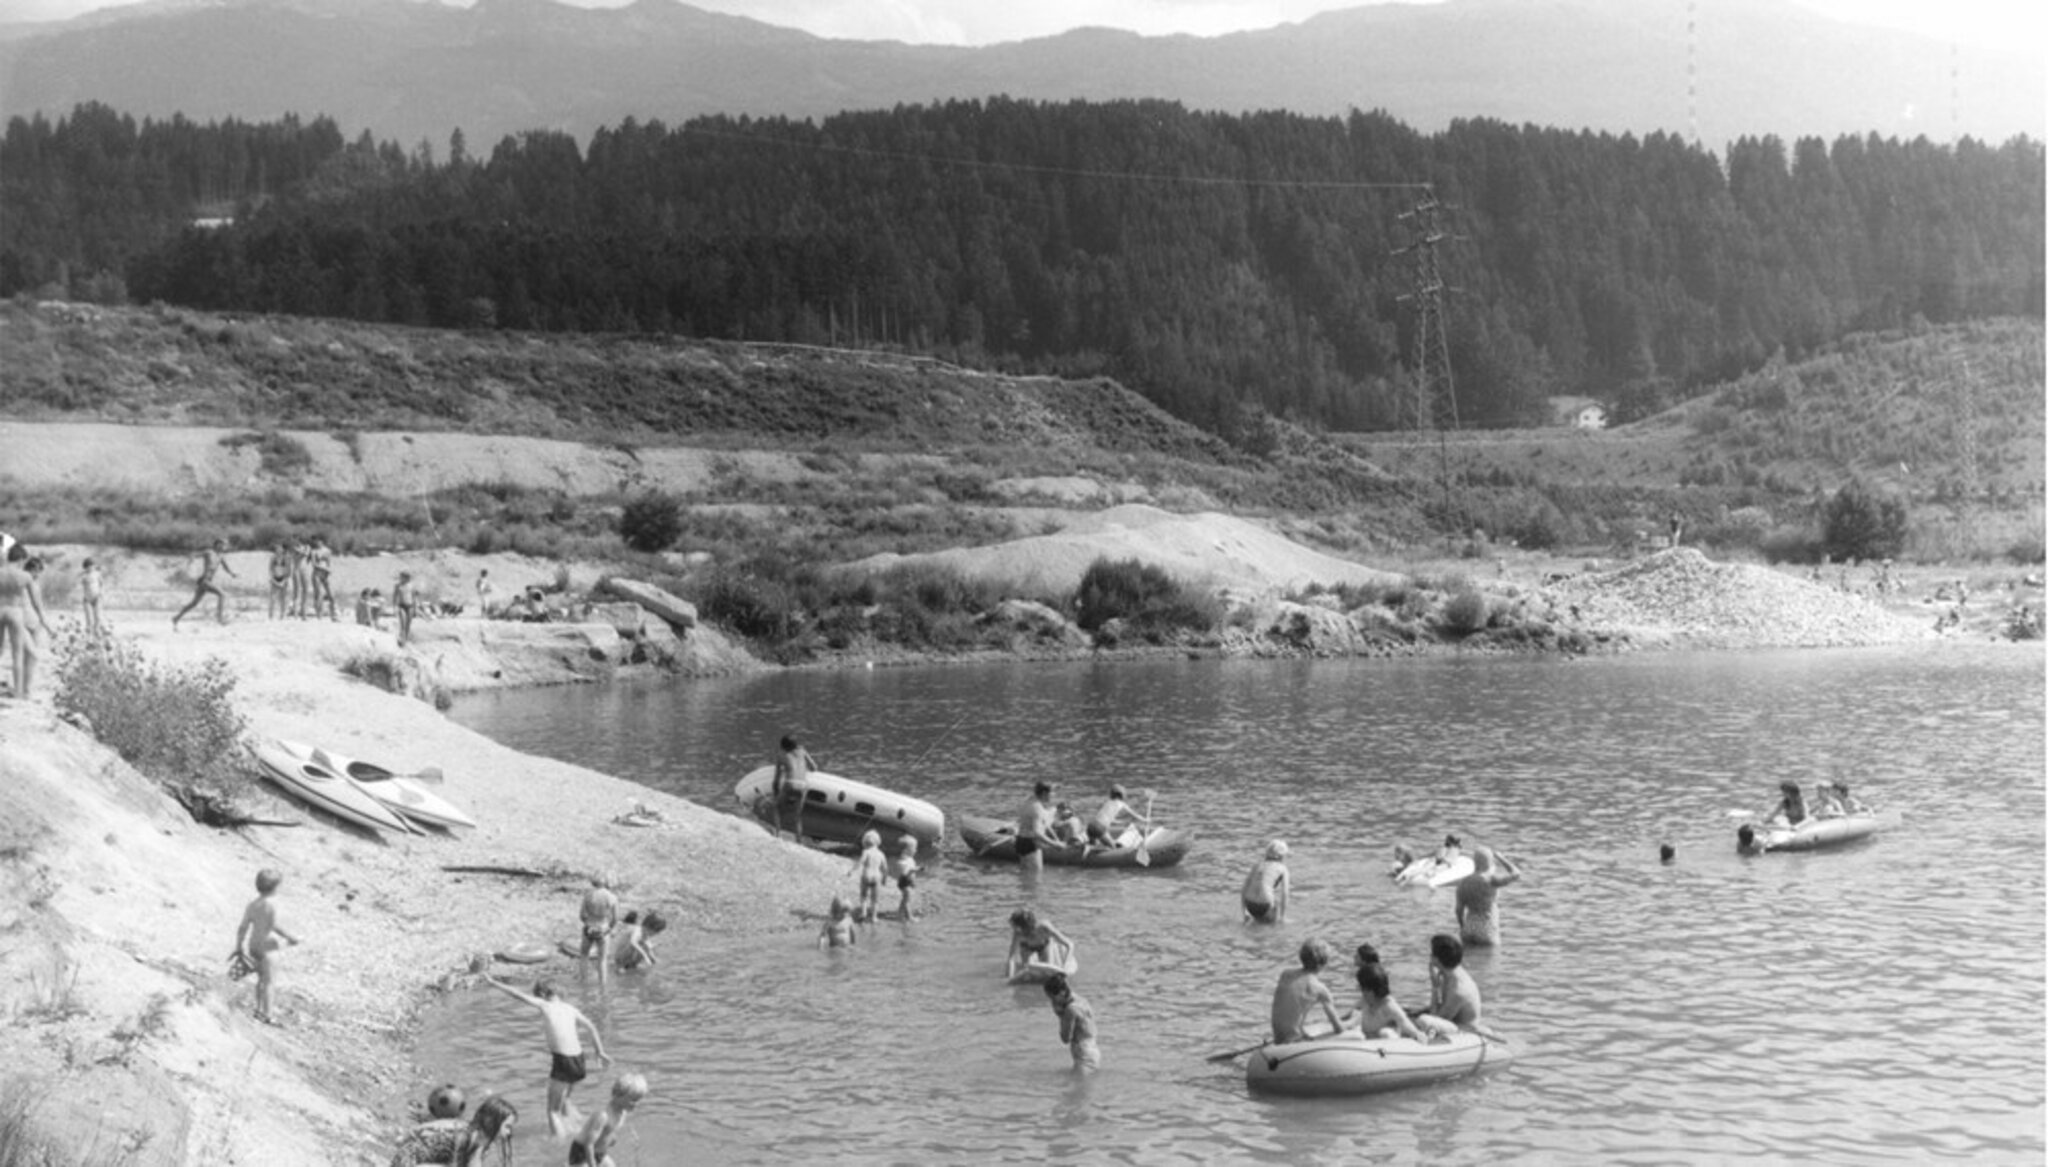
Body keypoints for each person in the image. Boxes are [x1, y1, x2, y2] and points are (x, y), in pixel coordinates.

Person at [480, 974, 611, 1137]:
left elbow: (516, 994)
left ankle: (560, 1143)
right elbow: (591, 1027)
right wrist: (600, 1051)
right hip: (579, 1059)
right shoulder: (571, 1009)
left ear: (542, 994)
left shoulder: (544, 1004)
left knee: (553, 1110)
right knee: (565, 1101)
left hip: (563, 1060)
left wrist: (493, 982)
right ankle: (579, 1126)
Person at [234, 868, 299, 1026]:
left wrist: (239, 945)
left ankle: (258, 1009)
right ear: (275, 887)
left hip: (253, 945)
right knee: (270, 982)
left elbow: (243, 926)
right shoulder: (271, 905)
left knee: (261, 980)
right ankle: (268, 1015)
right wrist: (291, 937)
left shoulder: (252, 904)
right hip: (268, 946)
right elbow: (274, 925)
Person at [387, 1094, 517, 1167]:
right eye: (507, 1127)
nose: (509, 1133)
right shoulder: (464, 1134)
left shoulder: (482, 1145)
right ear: (492, 1122)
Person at [1417, 933, 1498, 1040]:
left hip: (1464, 1032)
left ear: (1436, 959)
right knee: (1410, 1013)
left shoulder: (1458, 990)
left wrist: (1435, 986)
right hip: (1452, 1021)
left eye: (1432, 953)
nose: (1429, 956)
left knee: (1424, 1020)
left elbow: (1436, 1018)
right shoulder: (1450, 972)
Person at [1270, 937, 1347, 1044]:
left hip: (1278, 1040)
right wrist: (1354, 1021)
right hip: (1294, 1044)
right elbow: (1339, 1029)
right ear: (1322, 964)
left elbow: (1291, 1008)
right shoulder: (1320, 989)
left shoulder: (1286, 974)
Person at [0, 546, 53, 700]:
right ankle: (18, 693)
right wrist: (45, 622)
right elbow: (37, 604)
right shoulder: (24, 576)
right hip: (14, 611)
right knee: (17, 654)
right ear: (22, 559)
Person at [569, 1072, 647, 1167]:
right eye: (633, 1100)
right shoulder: (603, 1116)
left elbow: (611, 1130)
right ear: (618, 1095)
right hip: (582, 1152)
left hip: (599, 1153)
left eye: (638, 1100)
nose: (636, 1104)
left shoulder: (623, 1113)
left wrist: (612, 1139)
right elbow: (588, 1144)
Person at [1454, 846, 1524, 947]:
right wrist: (1501, 858)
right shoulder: (1491, 880)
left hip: (1468, 930)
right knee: (1491, 960)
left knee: (1468, 961)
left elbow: (1458, 911)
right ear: (1490, 862)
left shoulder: (1463, 883)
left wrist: (1462, 927)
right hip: (1487, 930)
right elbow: (1516, 873)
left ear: (1475, 862)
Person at [1352, 961, 1428, 1042]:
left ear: (1371, 990)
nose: (1361, 991)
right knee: (1356, 1032)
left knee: (1386, 1033)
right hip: (1367, 1045)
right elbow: (1348, 1019)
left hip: (1387, 1047)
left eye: (1363, 988)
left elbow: (1406, 1025)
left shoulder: (1389, 1006)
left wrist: (1418, 1035)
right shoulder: (1363, 1002)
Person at [172, 537, 237, 629]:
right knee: (222, 595)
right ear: (218, 544)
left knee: (194, 603)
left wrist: (232, 574)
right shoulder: (209, 552)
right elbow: (194, 554)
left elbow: (225, 567)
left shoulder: (221, 556)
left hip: (207, 582)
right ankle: (219, 618)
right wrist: (191, 560)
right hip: (204, 581)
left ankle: (176, 618)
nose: (225, 546)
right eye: (223, 544)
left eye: (226, 545)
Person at [1042, 973, 1100, 1072]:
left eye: (1052, 998)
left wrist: (1060, 1015)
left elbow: (1065, 1039)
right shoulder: (1080, 1000)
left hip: (1083, 1053)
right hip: (1092, 1049)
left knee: (1079, 1086)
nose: (1052, 1002)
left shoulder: (1070, 1010)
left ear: (1062, 992)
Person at [771, 733, 818, 842]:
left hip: (790, 784)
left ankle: (777, 835)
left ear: (783, 746)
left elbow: (776, 779)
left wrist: (776, 792)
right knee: (797, 816)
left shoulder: (781, 755)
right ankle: (799, 841)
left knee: (776, 807)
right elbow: (815, 768)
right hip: (803, 785)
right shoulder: (803, 751)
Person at [1005, 907, 1074, 979]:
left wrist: (1066, 964)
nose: (1015, 930)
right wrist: (1009, 978)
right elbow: (1011, 958)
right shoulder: (1018, 934)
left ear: (1026, 926)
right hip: (1026, 948)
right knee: (1027, 974)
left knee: (1047, 975)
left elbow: (1069, 945)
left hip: (1044, 946)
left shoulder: (1044, 927)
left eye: (1017, 927)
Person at [578, 873, 620, 985]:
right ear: (607, 882)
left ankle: (583, 981)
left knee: (584, 955)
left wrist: (588, 923)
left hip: (589, 928)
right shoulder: (612, 897)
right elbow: (616, 918)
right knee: (602, 960)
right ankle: (602, 986)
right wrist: (609, 928)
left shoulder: (588, 895)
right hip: (603, 929)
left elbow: (582, 915)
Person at [1013, 781, 1057, 875]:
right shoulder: (1037, 808)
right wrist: (1054, 844)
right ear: (1045, 793)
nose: (1054, 795)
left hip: (1021, 841)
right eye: (1052, 792)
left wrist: (1056, 838)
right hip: (1031, 843)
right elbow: (1037, 832)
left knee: (1025, 874)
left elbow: (1044, 823)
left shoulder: (1029, 801)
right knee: (1035, 876)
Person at [1240, 840, 1290, 923]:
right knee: (1271, 925)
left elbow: (1244, 888)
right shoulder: (1283, 868)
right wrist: (1282, 917)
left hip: (1249, 903)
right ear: (1282, 856)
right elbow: (1285, 893)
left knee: (1256, 924)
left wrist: (1244, 913)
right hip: (1265, 904)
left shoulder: (1257, 865)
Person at [850, 830, 886, 922]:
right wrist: (884, 879)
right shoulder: (881, 854)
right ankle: (874, 917)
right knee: (875, 899)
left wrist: (851, 871)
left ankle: (863, 913)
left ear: (865, 841)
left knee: (863, 896)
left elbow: (860, 862)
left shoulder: (866, 852)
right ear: (878, 842)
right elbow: (885, 868)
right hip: (877, 877)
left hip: (866, 875)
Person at [888, 835, 919, 920]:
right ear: (906, 850)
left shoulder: (910, 859)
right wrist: (913, 870)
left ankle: (902, 914)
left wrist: (913, 882)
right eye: (914, 848)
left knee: (906, 899)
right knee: (906, 899)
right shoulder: (903, 862)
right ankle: (907, 916)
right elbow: (905, 874)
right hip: (904, 883)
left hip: (908, 882)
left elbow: (911, 873)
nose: (916, 850)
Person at [309, 535, 337, 620]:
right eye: (315, 541)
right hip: (317, 573)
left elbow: (329, 562)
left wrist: (329, 570)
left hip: (325, 574)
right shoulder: (313, 551)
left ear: (322, 541)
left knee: (331, 594)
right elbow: (314, 564)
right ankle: (319, 615)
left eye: (318, 541)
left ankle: (333, 614)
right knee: (318, 594)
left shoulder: (328, 551)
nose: (317, 543)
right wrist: (325, 568)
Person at [79, 556, 104, 637]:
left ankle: (97, 630)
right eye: (88, 567)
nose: (90, 568)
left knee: (98, 616)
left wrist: (101, 592)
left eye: (92, 566)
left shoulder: (97, 574)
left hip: (97, 598)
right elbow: (81, 585)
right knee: (89, 619)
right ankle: (89, 634)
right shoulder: (84, 576)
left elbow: (101, 583)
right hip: (87, 599)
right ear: (85, 568)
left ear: (94, 566)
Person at [267, 542, 292, 620]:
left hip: (283, 579)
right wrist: (273, 579)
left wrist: (284, 580)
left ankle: (282, 615)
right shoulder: (273, 558)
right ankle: (271, 616)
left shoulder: (286, 558)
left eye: (280, 548)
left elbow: (288, 570)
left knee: (283, 598)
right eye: (277, 548)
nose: (279, 550)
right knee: (272, 598)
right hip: (275, 578)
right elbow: (270, 569)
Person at [393, 571, 418, 646]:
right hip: (402, 606)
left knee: (408, 625)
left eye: (402, 577)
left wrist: (415, 609)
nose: (400, 578)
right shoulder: (398, 586)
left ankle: (405, 640)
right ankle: (402, 640)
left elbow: (414, 598)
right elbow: (394, 597)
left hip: (410, 606)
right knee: (403, 624)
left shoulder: (412, 586)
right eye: (401, 577)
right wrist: (394, 607)